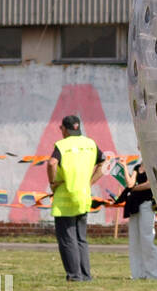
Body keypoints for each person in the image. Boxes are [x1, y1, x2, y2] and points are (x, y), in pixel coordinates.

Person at [46, 115, 110, 282]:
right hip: (84, 195)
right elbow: (104, 163)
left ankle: (74, 276)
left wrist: (52, 183)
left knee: (68, 239)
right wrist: (90, 181)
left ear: (64, 129)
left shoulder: (62, 145)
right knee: (81, 238)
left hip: (65, 198)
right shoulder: (90, 143)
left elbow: (52, 163)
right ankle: (85, 275)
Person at [117, 163, 157, 280]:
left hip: (147, 204)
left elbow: (150, 184)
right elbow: (130, 183)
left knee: (147, 238)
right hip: (135, 205)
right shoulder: (137, 167)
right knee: (134, 239)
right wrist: (124, 167)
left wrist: (134, 188)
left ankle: (156, 274)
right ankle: (138, 273)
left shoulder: (152, 164)